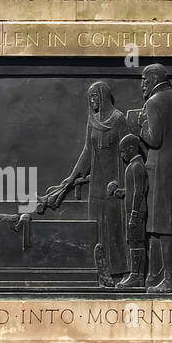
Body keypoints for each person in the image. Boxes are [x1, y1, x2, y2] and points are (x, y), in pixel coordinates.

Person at [47, 81, 130, 287]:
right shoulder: (92, 121)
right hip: (97, 183)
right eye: (89, 97)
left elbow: (127, 151)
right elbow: (87, 151)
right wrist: (72, 177)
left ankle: (118, 271)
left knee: (114, 226)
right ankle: (99, 271)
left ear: (103, 96)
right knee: (96, 225)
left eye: (95, 96)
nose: (92, 100)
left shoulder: (119, 119)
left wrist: (123, 184)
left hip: (114, 181)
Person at [129, 63, 172, 293]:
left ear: (153, 79)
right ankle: (155, 277)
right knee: (162, 225)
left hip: (161, 168)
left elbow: (154, 139)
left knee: (164, 226)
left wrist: (138, 126)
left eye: (144, 79)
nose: (142, 84)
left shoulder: (153, 103)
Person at [109, 133, 148, 289]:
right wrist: (119, 192)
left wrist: (134, 214)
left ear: (131, 149)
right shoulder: (132, 166)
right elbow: (132, 191)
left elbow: (139, 192)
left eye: (123, 152)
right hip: (132, 211)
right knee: (132, 242)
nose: (122, 155)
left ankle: (137, 276)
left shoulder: (137, 166)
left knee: (136, 242)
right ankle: (134, 274)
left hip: (136, 212)